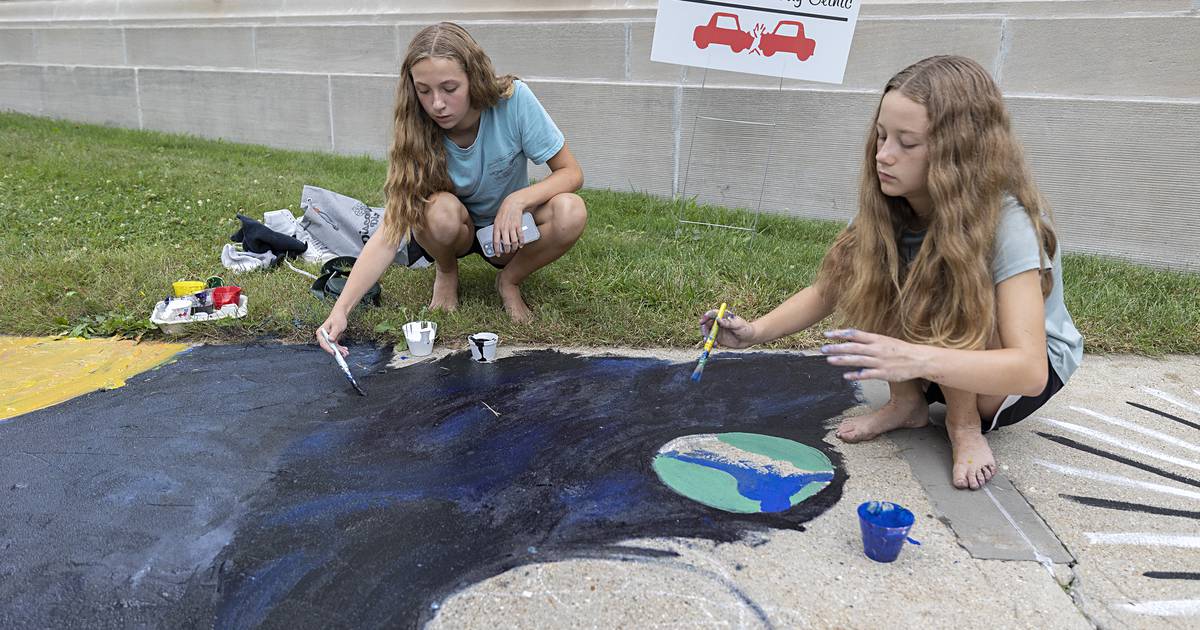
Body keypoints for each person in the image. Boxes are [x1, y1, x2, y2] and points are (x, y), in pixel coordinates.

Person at [700, 55, 1083, 491]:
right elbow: (829, 289)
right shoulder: (892, 202)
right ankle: (907, 404)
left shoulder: (1006, 220)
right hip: (940, 361)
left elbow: (1028, 368)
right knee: (872, 264)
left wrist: (916, 358)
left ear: (958, 151)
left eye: (907, 142)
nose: (884, 155)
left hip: (1012, 377)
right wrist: (753, 333)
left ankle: (964, 427)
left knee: (950, 280)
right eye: (881, 136)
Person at [317, 21, 587, 353]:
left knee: (571, 210)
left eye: (449, 88)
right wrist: (340, 311)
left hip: (505, 235)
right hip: (449, 230)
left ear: (474, 77)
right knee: (438, 210)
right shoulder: (416, 125)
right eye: (424, 90)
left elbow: (571, 173)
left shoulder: (514, 101)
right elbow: (391, 230)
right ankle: (446, 273)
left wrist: (518, 200)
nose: (437, 104)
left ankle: (510, 280)